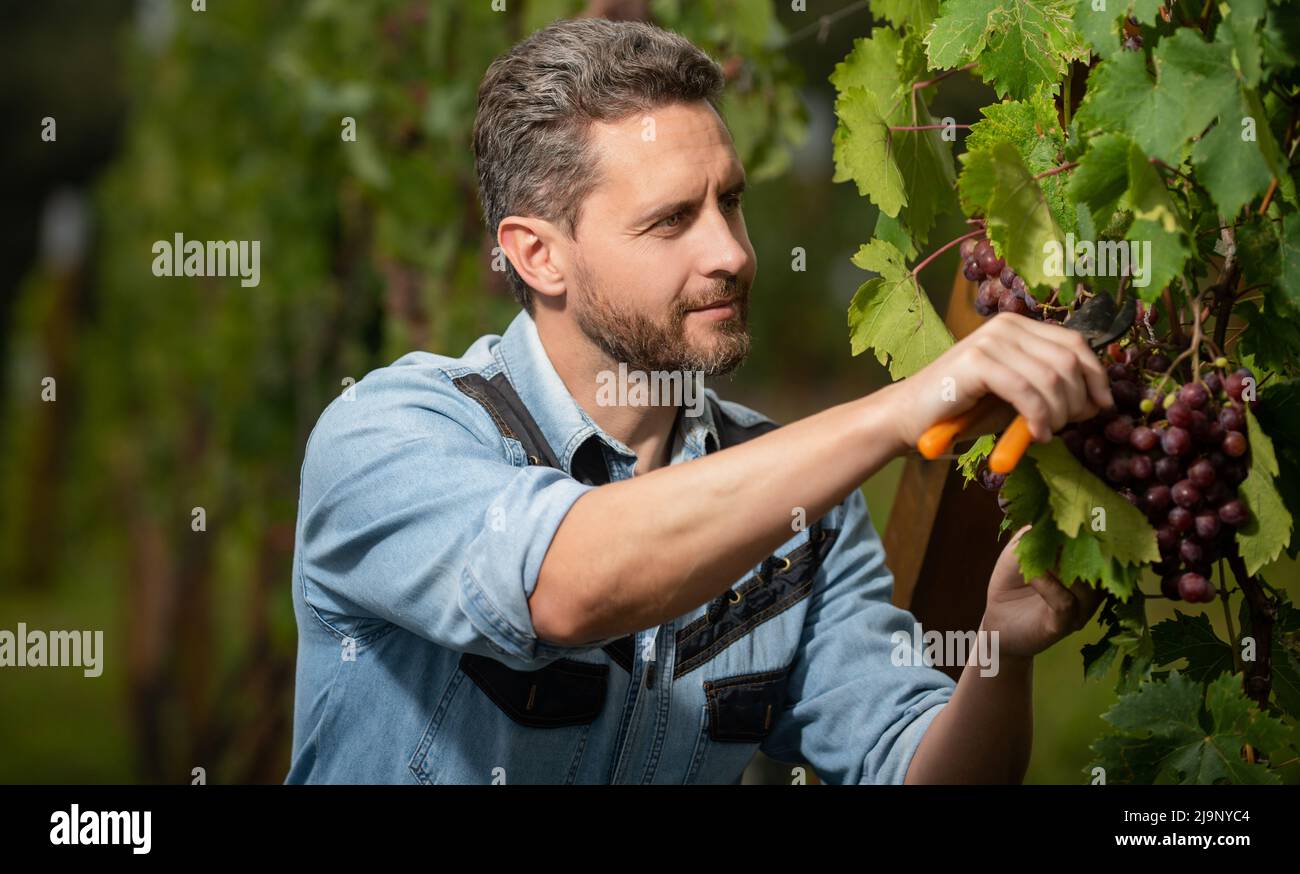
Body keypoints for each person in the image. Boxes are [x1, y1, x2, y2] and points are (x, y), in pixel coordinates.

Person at [286, 17, 1111, 785]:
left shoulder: (806, 516)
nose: (732, 253)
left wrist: (1001, 653)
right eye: (671, 220)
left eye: (732, 202)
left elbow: (914, 768)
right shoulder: (387, 437)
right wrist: (899, 410)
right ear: (537, 256)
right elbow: (568, 584)